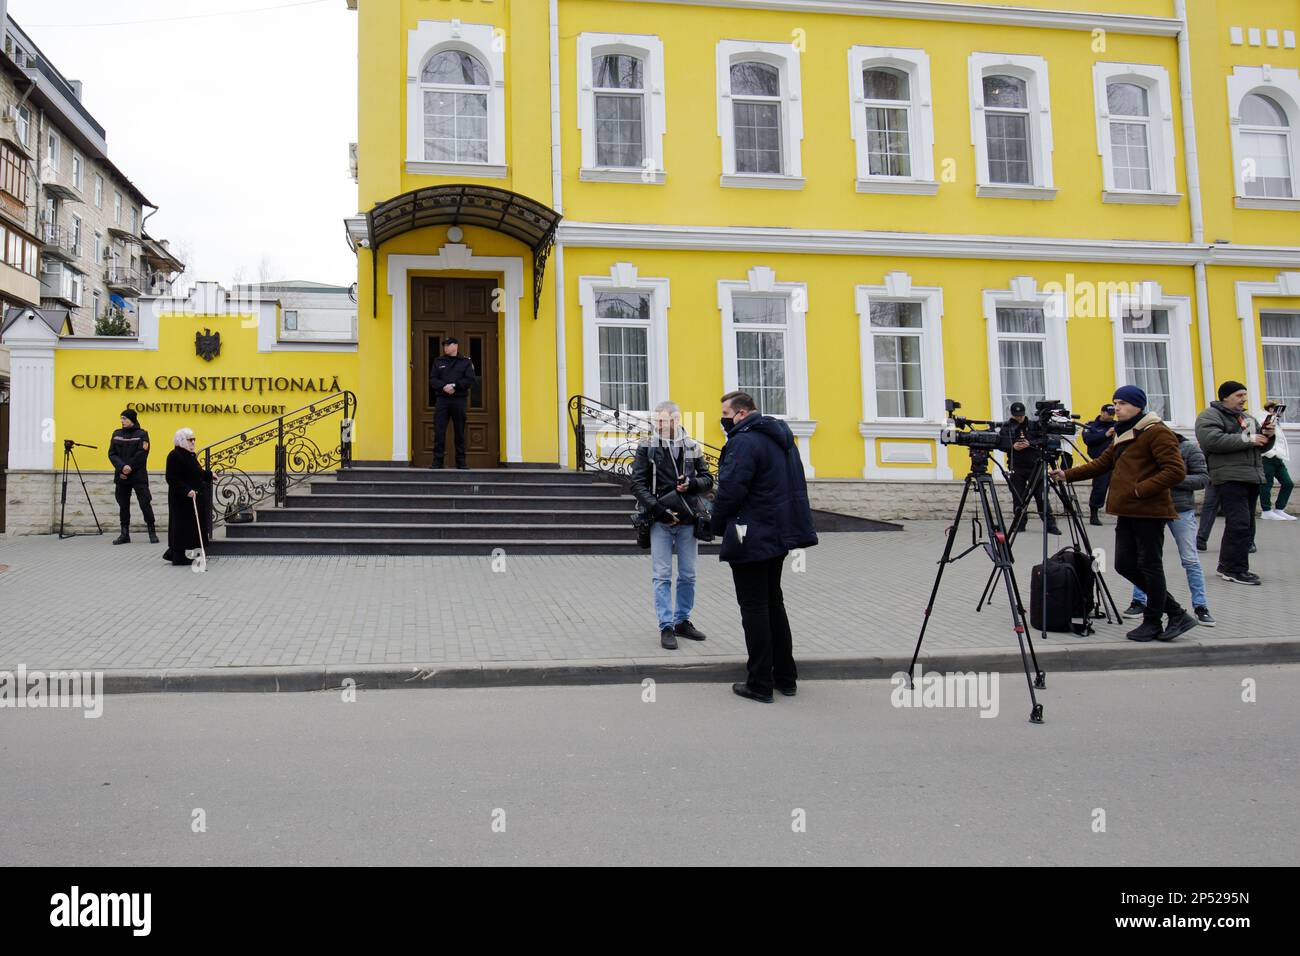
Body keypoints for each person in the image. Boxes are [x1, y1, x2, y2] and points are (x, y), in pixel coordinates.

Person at [1050, 385, 1196, 642]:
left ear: (1138, 406)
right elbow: (1102, 464)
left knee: (1150, 566)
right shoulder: (1125, 433)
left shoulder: (1156, 432)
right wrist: (1066, 474)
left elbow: (1175, 471)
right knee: (1124, 564)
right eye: (1115, 402)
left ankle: (1153, 621)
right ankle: (1175, 613)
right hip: (1128, 511)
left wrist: (1140, 490)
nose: (1117, 408)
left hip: (1149, 511)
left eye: (1123, 403)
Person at [710, 391, 818, 703]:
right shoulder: (781, 437)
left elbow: (730, 490)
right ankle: (786, 677)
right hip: (779, 534)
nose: (724, 419)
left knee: (755, 608)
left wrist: (714, 526)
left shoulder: (743, 441)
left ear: (741, 414)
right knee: (773, 603)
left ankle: (759, 682)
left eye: (726, 413)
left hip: (751, 535)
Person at [629, 401, 714, 650]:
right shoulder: (646, 446)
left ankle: (682, 621)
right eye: (657, 421)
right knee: (662, 575)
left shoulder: (691, 446)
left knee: (688, 575)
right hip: (659, 520)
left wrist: (692, 483)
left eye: (664, 421)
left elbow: (708, 479)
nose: (659, 425)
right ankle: (666, 625)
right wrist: (658, 510)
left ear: (676, 421)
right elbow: (637, 483)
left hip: (688, 520)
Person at [1123, 431, 1216, 627]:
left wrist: (1170, 478)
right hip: (1152, 509)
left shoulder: (1189, 448)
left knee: (1190, 559)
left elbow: (1202, 479)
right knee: (1146, 558)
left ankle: (1201, 607)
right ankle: (1139, 601)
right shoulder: (1147, 448)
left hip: (1181, 510)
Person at [1195, 381, 1275, 585]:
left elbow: (1260, 447)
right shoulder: (1209, 416)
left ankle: (1229, 566)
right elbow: (1211, 441)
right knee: (1238, 523)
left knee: (1245, 525)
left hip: (1252, 476)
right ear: (1225, 397)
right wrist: (1248, 440)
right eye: (1239, 395)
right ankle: (1235, 569)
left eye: (1245, 395)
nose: (1243, 399)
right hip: (1229, 477)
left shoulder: (1247, 418)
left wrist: (1268, 436)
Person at [998, 401, 1061, 535]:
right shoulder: (1007, 427)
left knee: (1041, 496)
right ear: (1012, 414)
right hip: (1017, 466)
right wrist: (1012, 446)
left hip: (1035, 465)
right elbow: (1000, 443)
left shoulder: (1034, 425)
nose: (1019, 418)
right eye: (1017, 415)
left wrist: (1030, 443)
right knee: (1018, 496)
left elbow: (1044, 440)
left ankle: (1050, 525)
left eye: (1021, 415)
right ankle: (1020, 523)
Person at [163, 428, 213, 566]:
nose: (193, 442)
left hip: (192, 498)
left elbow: (197, 472)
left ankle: (175, 553)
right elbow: (171, 478)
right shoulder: (174, 455)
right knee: (180, 526)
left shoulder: (189, 455)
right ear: (181, 441)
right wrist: (186, 490)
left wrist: (209, 475)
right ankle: (177, 556)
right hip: (181, 498)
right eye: (190, 439)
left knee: (189, 527)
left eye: (194, 439)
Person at [108, 408, 157, 545]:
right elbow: (112, 454)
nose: (122, 421)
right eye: (121, 418)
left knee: (145, 503)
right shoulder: (116, 434)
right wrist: (122, 467)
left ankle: (151, 531)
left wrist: (130, 466)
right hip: (122, 476)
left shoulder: (142, 434)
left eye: (125, 418)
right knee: (123, 505)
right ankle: (124, 534)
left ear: (132, 419)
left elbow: (142, 453)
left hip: (138, 476)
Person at [429, 337, 477, 469]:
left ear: (455, 346)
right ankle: (437, 462)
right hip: (442, 400)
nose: (445, 347)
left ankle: (461, 462)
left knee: (460, 432)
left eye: (448, 344)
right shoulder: (438, 361)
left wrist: (455, 386)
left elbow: (470, 380)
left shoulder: (465, 362)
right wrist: (444, 386)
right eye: (444, 345)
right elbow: (432, 379)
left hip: (459, 400)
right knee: (439, 431)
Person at [1257, 399, 1294, 521]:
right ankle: (1266, 511)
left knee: (1288, 483)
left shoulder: (1276, 421)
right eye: (1278, 409)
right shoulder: (1263, 418)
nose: (1280, 413)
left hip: (1278, 457)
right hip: (1267, 456)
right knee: (1267, 484)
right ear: (1272, 409)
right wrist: (1271, 418)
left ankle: (1279, 509)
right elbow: (1263, 430)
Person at [1081, 403, 1117, 526]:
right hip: (1100, 462)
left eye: (1113, 414)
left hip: (1117, 461)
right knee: (1099, 488)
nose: (1111, 416)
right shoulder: (1091, 425)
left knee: (1121, 488)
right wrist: (1106, 434)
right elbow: (1088, 440)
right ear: (1102, 412)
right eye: (1109, 414)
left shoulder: (1118, 425)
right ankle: (1094, 514)